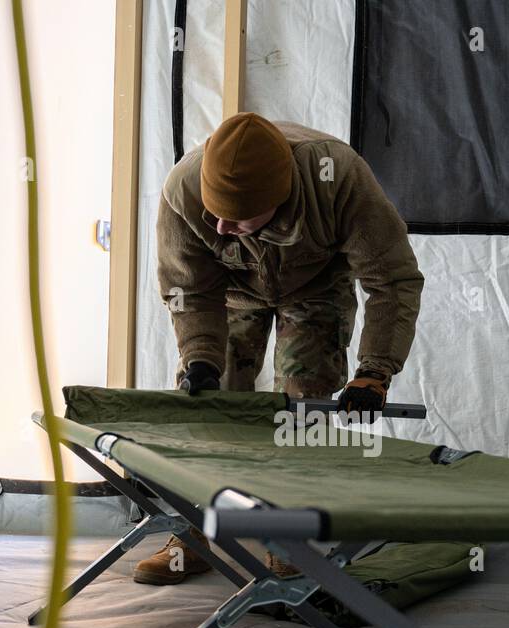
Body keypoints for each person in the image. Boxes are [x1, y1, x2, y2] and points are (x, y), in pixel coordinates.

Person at [134, 111, 423, 585]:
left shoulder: (339, 177)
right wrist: (201, 357)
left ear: (280, 198)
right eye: (216, 213)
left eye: (239, 215)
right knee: (210, 403)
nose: (223, 226)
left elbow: (392, 280)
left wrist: (375, 370)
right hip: (231, 289)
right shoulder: (183, 190)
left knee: (303, 409)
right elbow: (189, 290)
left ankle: (290, 540)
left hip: (315, 287)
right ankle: (192, 534)